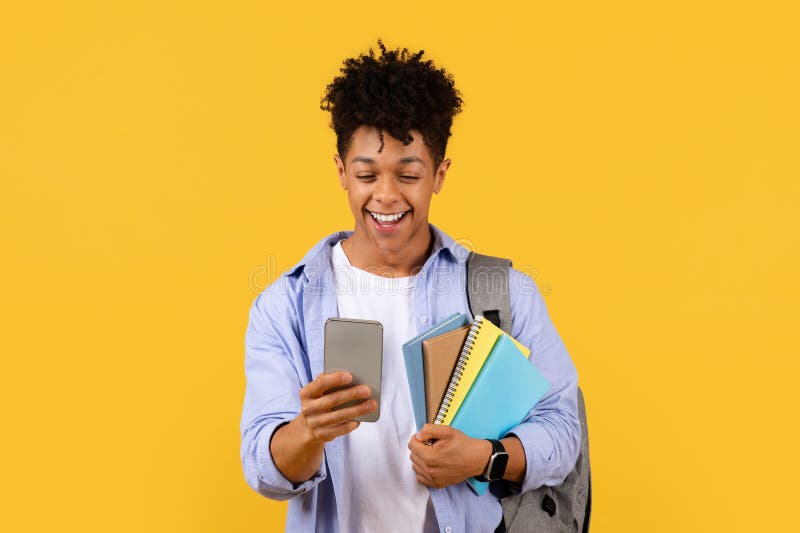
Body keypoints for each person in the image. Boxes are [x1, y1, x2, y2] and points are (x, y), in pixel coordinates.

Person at [240, 39, 581, 533]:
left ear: (439, 175)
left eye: (408, 174)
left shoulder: (502, 291)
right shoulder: (285, 305)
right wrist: (307, 431)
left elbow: (562, 428)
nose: (385, 195)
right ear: (341, 172)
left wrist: (484, 458)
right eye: (366, 174)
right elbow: (263, 468)